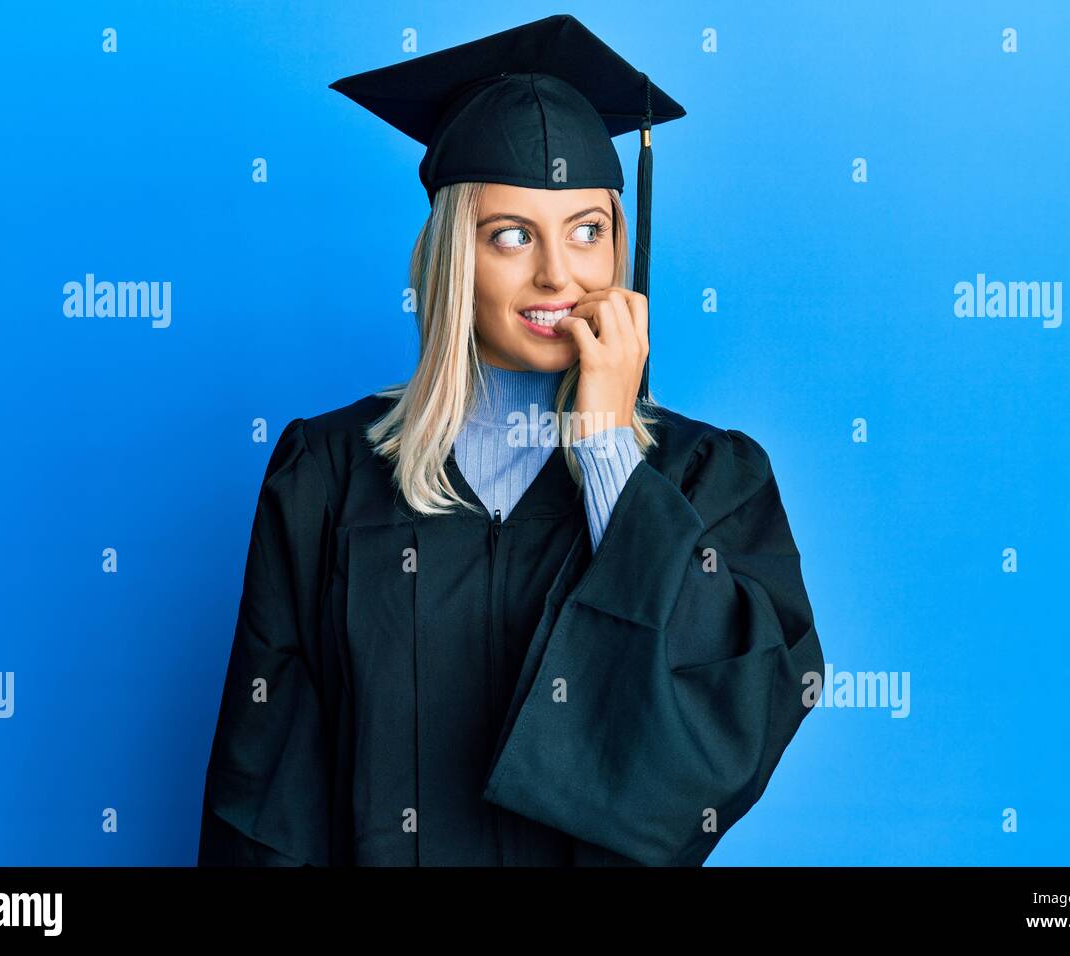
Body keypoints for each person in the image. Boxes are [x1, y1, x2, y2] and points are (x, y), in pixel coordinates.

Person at [197, 14, 824, 867]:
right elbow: (266, 794)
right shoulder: (328, 477)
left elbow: (736, 727)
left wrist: (607, 448)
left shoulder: (710, 476)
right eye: (513, 235)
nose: (557, 275)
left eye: (586, 231)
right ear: (456, 255)